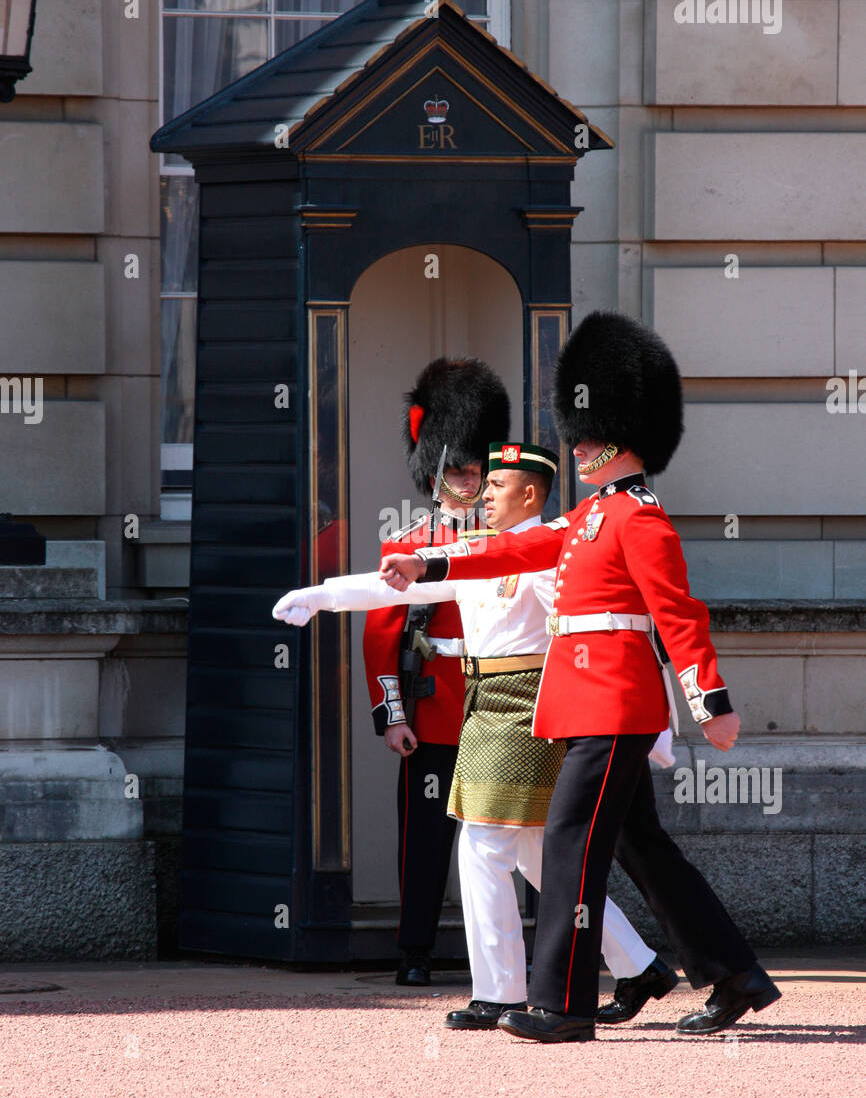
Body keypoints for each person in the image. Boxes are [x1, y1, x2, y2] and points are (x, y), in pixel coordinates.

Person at [379, 310, 781, 1041]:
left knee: (565, 842)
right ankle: (734, 975)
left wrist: (709, 702)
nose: (579, 443)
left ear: (622, 438)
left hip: (614, 703)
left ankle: (560, 1004)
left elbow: (679, 614)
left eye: (590, 434)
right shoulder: (589, 515)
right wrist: (427, 565)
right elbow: (508, 553)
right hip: (582, 702)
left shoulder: (640, 519)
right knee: (643, 849)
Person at [274, 439, 677, 1029]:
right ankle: (639, 965)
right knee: (540, 856)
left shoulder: (555, 555)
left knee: (484, 846)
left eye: (496, 486)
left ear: (530, 495)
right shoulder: (476, 551)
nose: (483, 495)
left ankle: (501, 991)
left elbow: (622, 630)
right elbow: (400, 587)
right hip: (483, 705)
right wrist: (324, 596)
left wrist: (656, 725)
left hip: (528, 708)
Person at [362, 357, 510, 986]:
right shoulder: (408, 544)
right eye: (457, 471)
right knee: (424, 845)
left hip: (499, 708)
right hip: (435, 711)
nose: (469, 483)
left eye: (477, 472)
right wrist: (393, 718)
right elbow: (381, 638)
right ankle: (415, 950)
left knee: (501, 843)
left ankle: (499, 962)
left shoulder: (507, 543)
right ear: (435, 474)